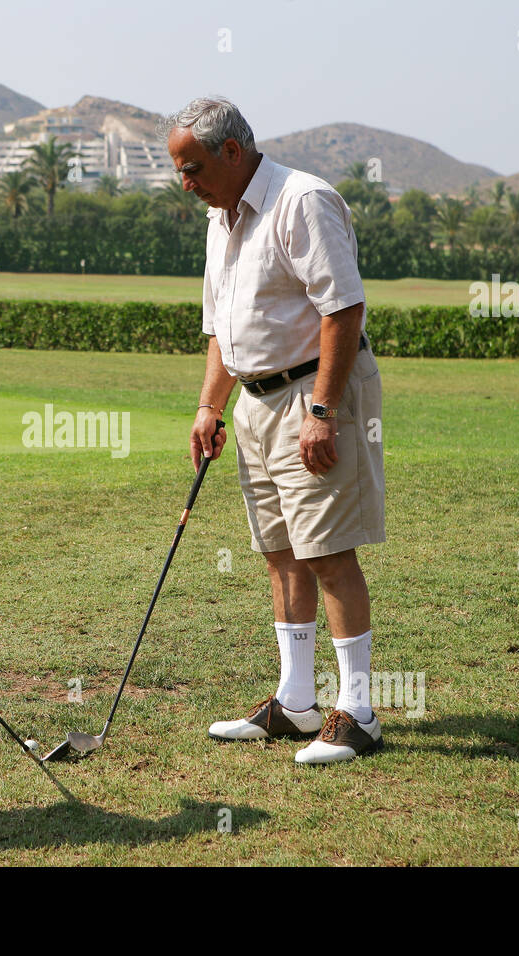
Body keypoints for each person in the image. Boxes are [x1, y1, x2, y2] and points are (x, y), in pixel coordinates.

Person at [162, 97, 387, 764]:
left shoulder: (303, 200)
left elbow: (342, 309)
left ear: (233, 151)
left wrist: (323, 411)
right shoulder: (219, 217)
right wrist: (209, 408)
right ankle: (295, 705)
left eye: (193, 167)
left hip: (314, 392)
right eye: (180, 171)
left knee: (327, 550)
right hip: (255, 403)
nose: (187, 183)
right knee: (281, 551)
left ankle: (359, 715)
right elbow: (222, 328)